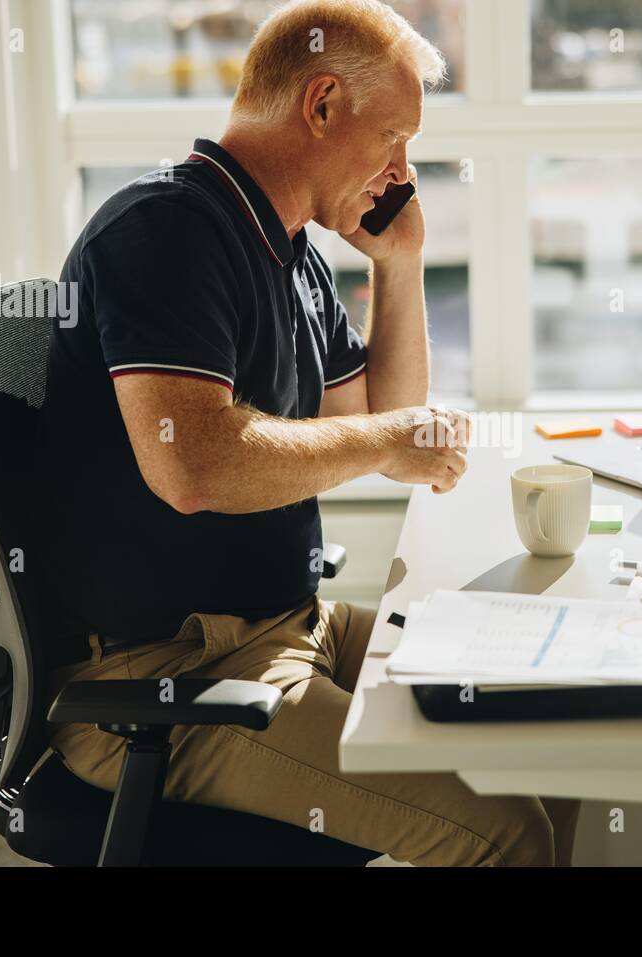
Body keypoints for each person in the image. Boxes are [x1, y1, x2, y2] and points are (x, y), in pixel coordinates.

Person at [41, 0, 578, 865]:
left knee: (544, 730)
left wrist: (398, 261)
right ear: (322, 104)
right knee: (506, 828)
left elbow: (378, 418)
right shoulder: (168, 232)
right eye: (393, 139)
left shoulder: (289, 247)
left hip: (291, 625)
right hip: (168, 676)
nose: (399, 171)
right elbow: (195, 468)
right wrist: (386, 439)